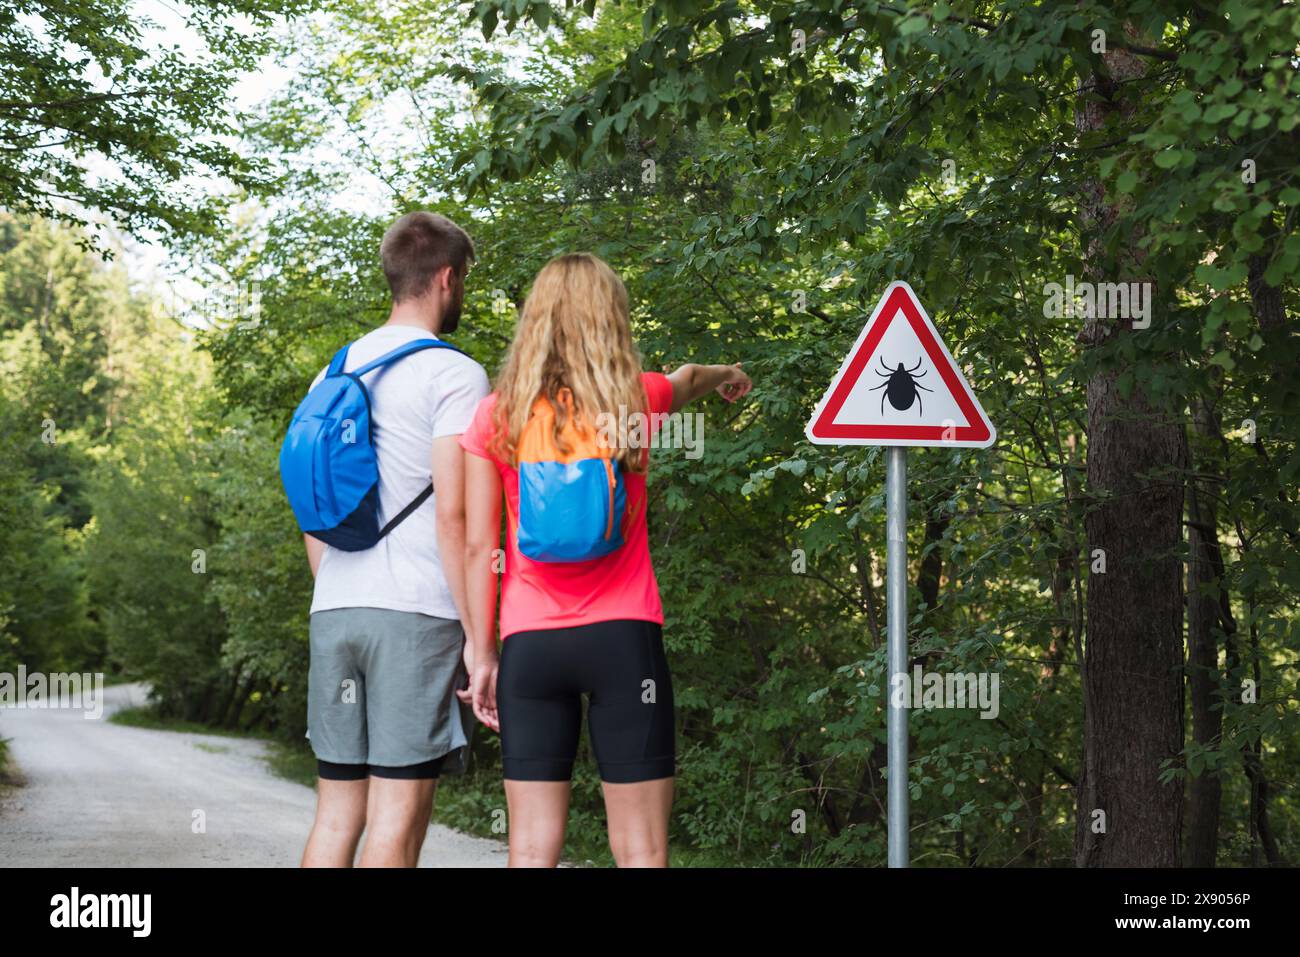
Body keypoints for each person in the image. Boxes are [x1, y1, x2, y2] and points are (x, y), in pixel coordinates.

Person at [459, 252, 752, 867]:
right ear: (611, 318)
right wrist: (731, 373)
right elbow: (692, 375)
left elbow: (478, 543)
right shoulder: (637, 402)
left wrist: (482, 652)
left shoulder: (498, 414)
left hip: (531, 645)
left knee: (531, 848)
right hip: (624, 640)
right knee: (642, 850)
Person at [299, 211, 489, 867]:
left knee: (335, 817)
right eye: (463, 279)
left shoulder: (333, 372)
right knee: (396, 819)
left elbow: (312, 507)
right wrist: (478, 636)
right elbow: (455, 517)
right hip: (415, 614)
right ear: (445, 277)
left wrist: (335, 590)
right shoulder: (454, 375)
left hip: (335, 609)